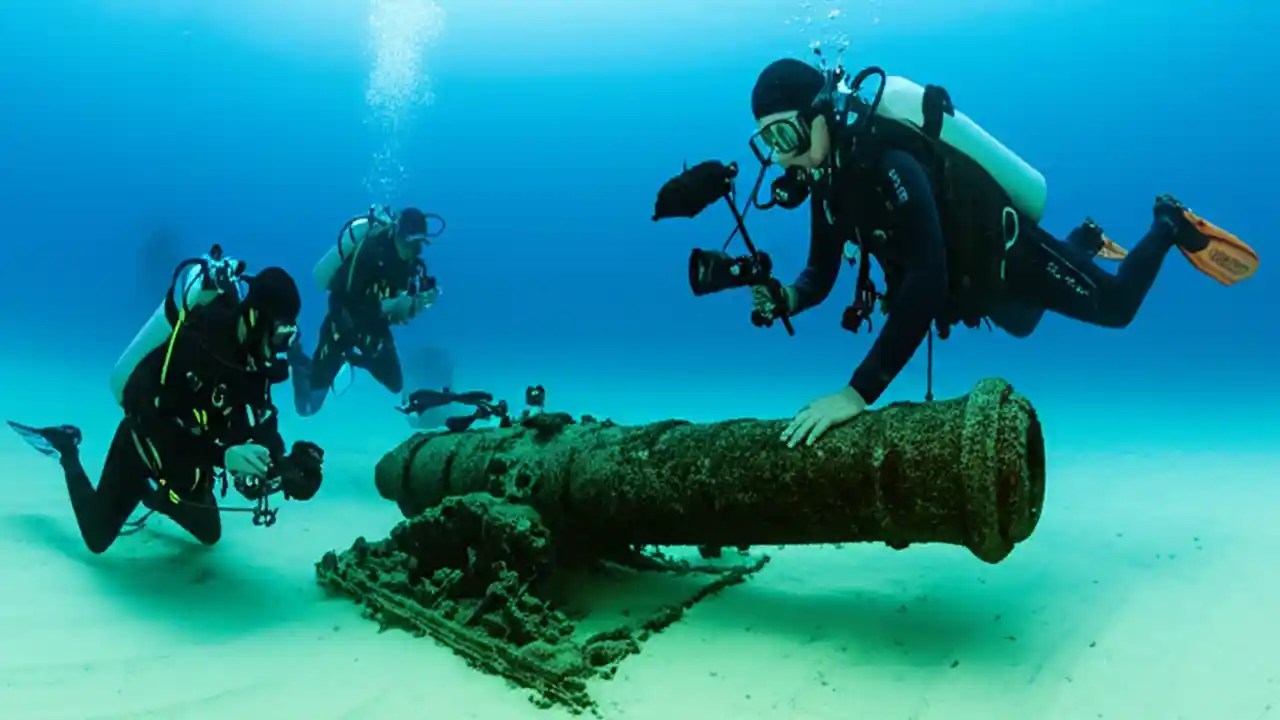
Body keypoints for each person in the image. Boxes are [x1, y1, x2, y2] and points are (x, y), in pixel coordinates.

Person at [741, 56, 1259, 448]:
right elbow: (819, 272)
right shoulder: (830, 184)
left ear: (819, 115)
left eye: (785, 132)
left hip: (1011, 254)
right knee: (1022, 323)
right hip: (976, 284)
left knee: (1117, 307)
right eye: (767, 142)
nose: (782, 155)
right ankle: (1082, 241)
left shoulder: (889, 162)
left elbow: (927, 279)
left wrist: (856, 394)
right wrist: (787, 297)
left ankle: (1167, 222)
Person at [8, 267, 324, 554]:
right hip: (142, 444)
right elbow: (149, 419)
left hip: (190, 463)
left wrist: (287, 470)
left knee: (210, 535)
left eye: (290, 335)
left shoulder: (254, 367)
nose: (283, 345)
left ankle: (153, 495)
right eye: (282, 332)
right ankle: (65, 447)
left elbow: (259, 430)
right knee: (97, 539)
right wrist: (222, 456)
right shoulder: (195, 342)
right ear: (255, 316)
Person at [290, 205, 443, 417]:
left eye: (420, 243)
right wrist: (351, 334)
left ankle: (351, 360)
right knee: (308, 408)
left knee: (395, 383)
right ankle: (297, 358)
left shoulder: (411, 266)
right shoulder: (370, 251)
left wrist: (418, 302)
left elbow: (401, 312)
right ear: (397, 234)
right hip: (341, 323)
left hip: (374, 325)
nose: (415, 250)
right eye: (411, 242)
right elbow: (342, 295)